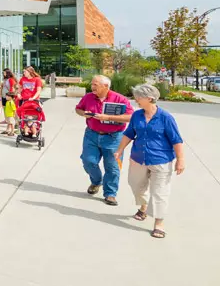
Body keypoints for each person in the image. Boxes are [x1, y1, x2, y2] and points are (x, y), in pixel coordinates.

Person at [115, 84, 185, 239]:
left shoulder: (165, 117)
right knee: (135, 185)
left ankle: (159, 223)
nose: (136, 100)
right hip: (138, 157)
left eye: (139, 97)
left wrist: (180, 160)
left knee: (160, 192)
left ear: (150, 98)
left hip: (161, 159)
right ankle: (144, 206)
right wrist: (119, 150)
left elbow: (176, 140)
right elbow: (129, 133)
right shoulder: (137, 115)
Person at [75, 75, 134, 206]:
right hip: (91, 135)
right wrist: (83, 113)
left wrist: (107, 117)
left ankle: (110, 194)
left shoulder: (120, 99)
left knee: (112, 167)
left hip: (113, 138)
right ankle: (96, 181)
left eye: (96, 84)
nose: (92, 87)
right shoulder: (88, 97)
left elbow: (130, 117)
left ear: (106, 86)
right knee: (88, 160)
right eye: (92, 84)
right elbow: (78, 108)